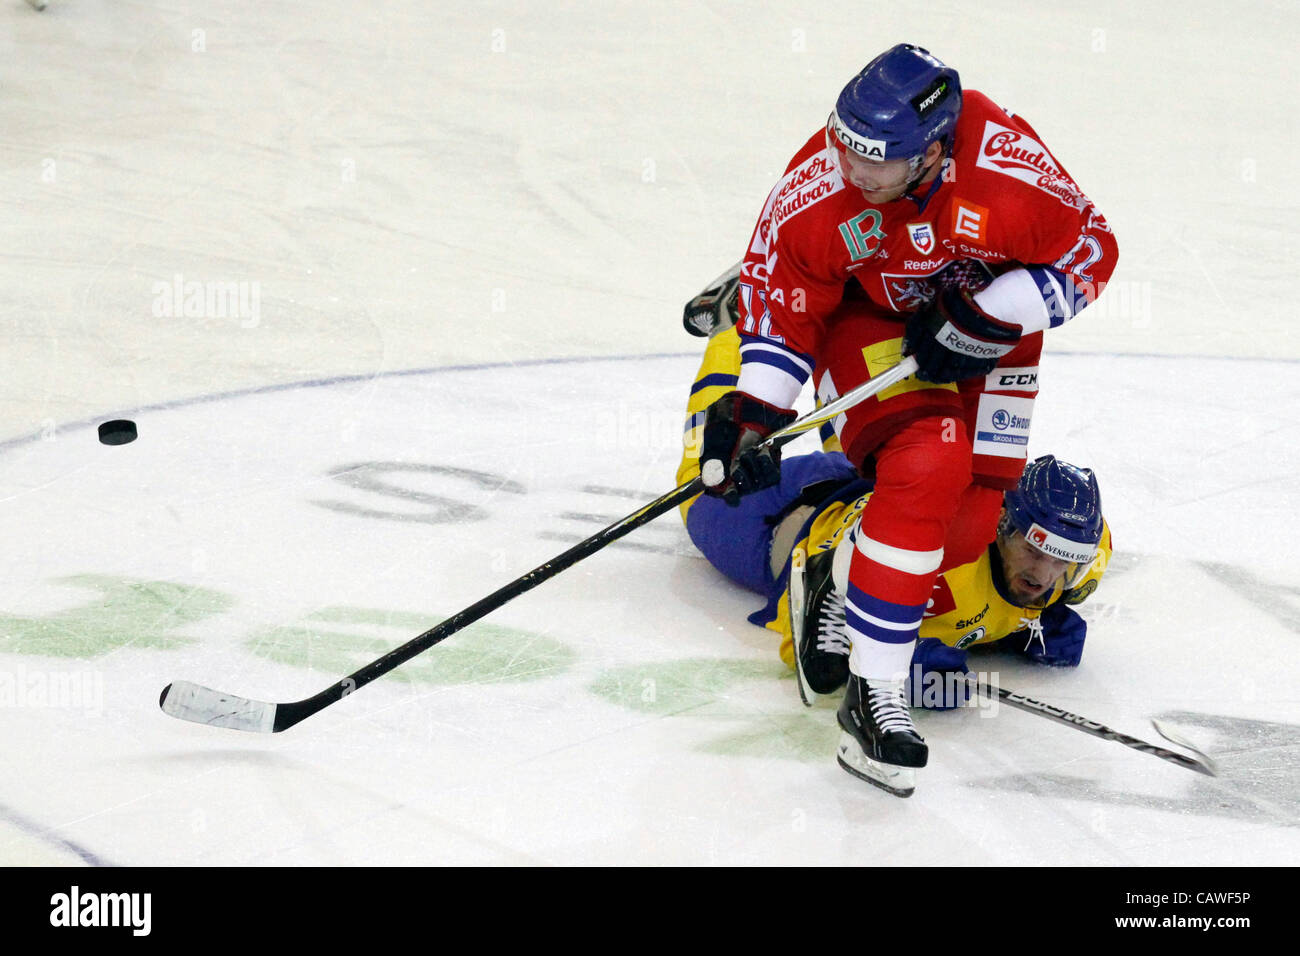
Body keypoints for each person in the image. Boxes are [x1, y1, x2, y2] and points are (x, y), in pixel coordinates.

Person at [691, 43, 1118, 792]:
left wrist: (989, 314)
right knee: (929, 460)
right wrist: (755, 411)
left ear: (933, 152)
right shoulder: (820, 189)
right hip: (868, 310)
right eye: (846, 149)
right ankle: (875, 694)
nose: (854, 172)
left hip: (991, 323)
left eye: (877, 162)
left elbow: (1091, 252)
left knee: (978, 517)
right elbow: (787, 310)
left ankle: (839, 569)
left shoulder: (1004, 170)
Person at [677, 301, 1112, 795]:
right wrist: (893, 662)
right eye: (1035, 549)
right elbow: (799, 617)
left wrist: (1020, 633)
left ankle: (833, 350)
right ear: (1003, 527)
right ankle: (742, 319)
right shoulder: (939, 568)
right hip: (778, 523)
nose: (1048, 570)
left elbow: (1040, 579)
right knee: (707, 475)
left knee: (888, 443)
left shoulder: (1080, 556)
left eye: (1065, 561)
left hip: (873, 487)